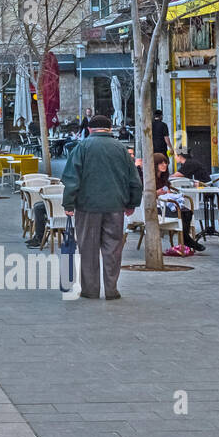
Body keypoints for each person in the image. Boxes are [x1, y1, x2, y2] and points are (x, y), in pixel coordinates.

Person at [60, 115, 144, 300]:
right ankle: (112, 289)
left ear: (89, 129)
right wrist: (132, 203)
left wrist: (68, 203)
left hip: (87, 206)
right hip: (115, 206)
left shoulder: (82, 147)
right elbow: (135, 180)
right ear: (109, 129)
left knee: (88, 248)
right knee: (113, 247)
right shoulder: (121, 149)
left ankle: (90, 290)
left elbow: (72, 179)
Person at [152, 152, 204, 251]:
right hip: (157, 208)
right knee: (183, 213)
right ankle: (187, 240)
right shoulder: (151, 179)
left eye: (165, 163)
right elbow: (147, 194)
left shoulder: (163, 178)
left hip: (167, 204)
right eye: (161, 163)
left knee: (188, 212)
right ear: (155, 165)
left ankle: (186, 239)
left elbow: (167, 190)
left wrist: (169, 192)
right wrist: (157, 192)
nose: (164, 165)